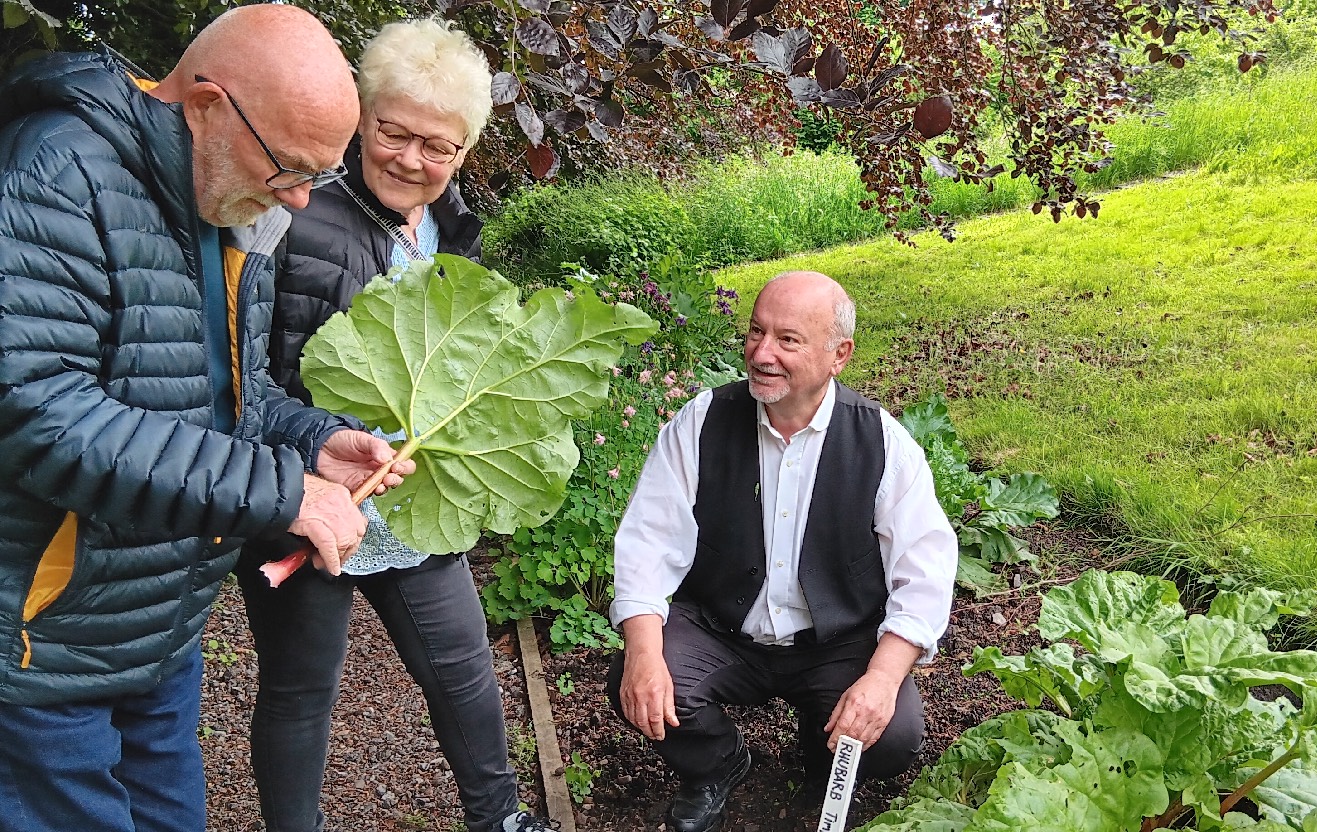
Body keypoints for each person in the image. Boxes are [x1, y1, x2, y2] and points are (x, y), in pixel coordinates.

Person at [0, 6, 415, 832]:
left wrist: (314, 442)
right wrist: (281, 491)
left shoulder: (228, 203)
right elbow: (39, 414)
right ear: (206, 104)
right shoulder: (56, 173)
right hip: (44, 650)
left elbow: (239, 396)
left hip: (158, 635)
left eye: (316, 177)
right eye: (290, 168)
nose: (299, 200)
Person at [233, 19, 549, 832]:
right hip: (305, 494)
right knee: (301, 693)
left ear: (464, 151)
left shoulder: (449, 225)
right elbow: (245, 376)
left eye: (436, 146)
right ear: (360, 117)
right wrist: (304, 460)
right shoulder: (294, 212)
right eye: (393, 132)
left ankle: (501, 818)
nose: (412, 160)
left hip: (410, 501)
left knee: (464, 669)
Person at [608, 271, 959, 831]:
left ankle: (822, 763)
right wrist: (645, 655)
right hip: (723, 631)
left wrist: (883, 678)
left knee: (891, 737)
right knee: (641, 677)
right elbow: (648, 542)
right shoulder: (701, 422)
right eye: (755, 332)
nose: (761, 353)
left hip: (835, 642)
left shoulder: (882, 441)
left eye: (787, 340)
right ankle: (718, 764)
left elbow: (926, 570)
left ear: (838, 354)